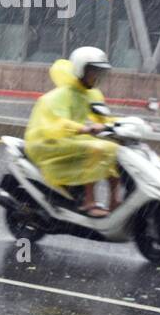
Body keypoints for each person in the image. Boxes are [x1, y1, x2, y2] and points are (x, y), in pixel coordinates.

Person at [24, 47, 121, 217]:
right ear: (80, 70)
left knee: (115, 151)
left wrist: (127, 125)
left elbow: (104, 119)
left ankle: (115, 201)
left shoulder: (90, 95)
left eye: (100, 72)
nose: (97, 76)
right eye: (93, 71)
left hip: (68, 139)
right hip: (45, 142)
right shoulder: (61, 95)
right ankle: (88, 202)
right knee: (97, 148)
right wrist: (83, 128)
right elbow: (57, 122)